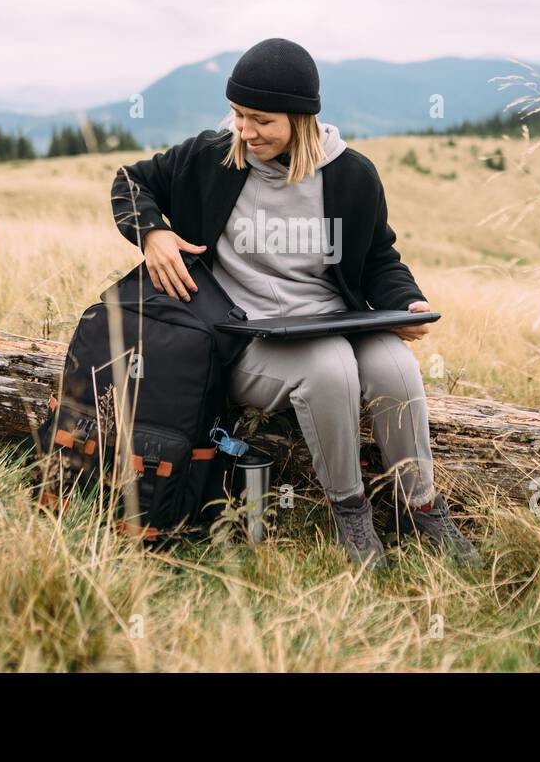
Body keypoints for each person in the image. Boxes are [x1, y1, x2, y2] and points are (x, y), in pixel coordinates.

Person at [110, 37, 478, 569]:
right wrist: (152, 233)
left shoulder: (352, 176)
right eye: (238, 114)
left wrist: (408, 301)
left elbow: (378, 258)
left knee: (396, 366)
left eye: (261, 119)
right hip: (246, 339)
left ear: (301, 120)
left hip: (336, 323)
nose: (245, 130)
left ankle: (421, 507)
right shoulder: (210, 159)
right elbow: (129, 183)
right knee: (329, 366)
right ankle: (349, 512)